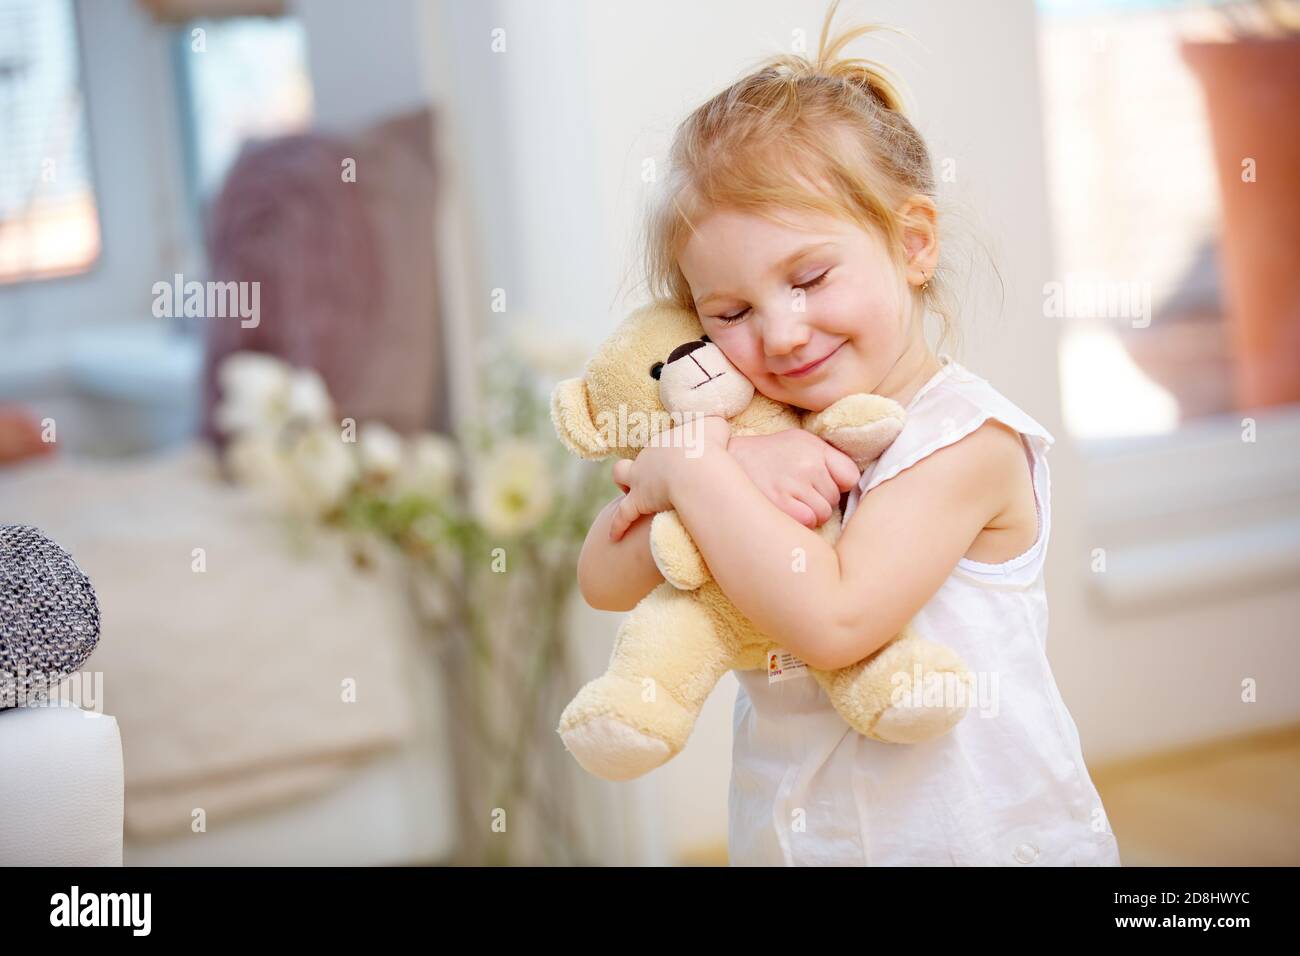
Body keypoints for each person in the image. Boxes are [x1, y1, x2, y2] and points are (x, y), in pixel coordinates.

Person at [578, 0, 1122, 866]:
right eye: (731, 311)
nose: (783, 333)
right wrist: (722, 456)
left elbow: (836, 619)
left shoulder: (968, 442)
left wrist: (693, 471)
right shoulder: (748, 440)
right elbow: (604, 576)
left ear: (912, 245)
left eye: (811, 277)